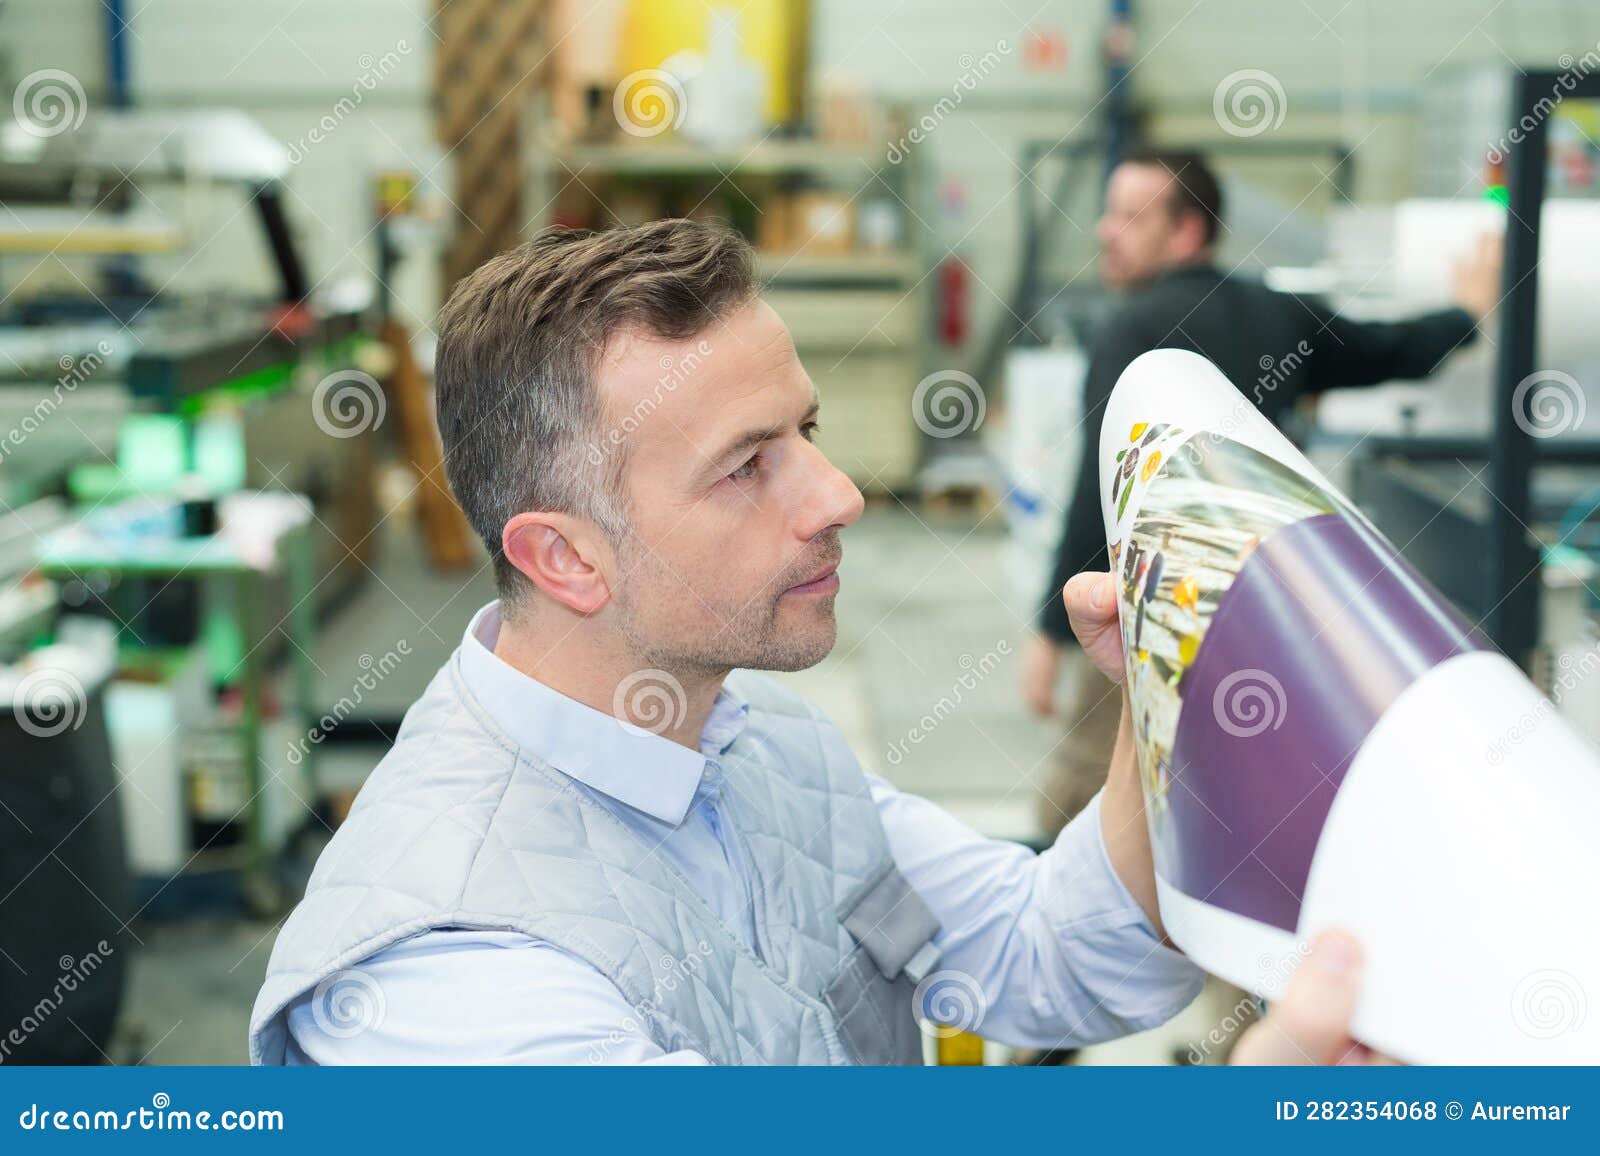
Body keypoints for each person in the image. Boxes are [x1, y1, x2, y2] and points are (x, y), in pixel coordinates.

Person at [245, 218, 1368, 1066]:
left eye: (809, 432)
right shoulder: (453, 975)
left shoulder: (756, 750)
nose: (837, 495)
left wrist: (1156, 697)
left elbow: (1042, 952)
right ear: (567, 557)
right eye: (746, 466)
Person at [1020, 147, 1503, 838]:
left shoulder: (1129, 326)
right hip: (1267, 600)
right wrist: (1468, 312)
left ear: (1187, 230)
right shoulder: (1278, 313)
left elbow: (1099, 491)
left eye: (1129, 216)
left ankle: (1057, 922)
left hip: (1155, 601)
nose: (1106, 229)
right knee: (1231, 794)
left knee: (1087, 786)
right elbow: (1389, 349)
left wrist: (1049, 632)